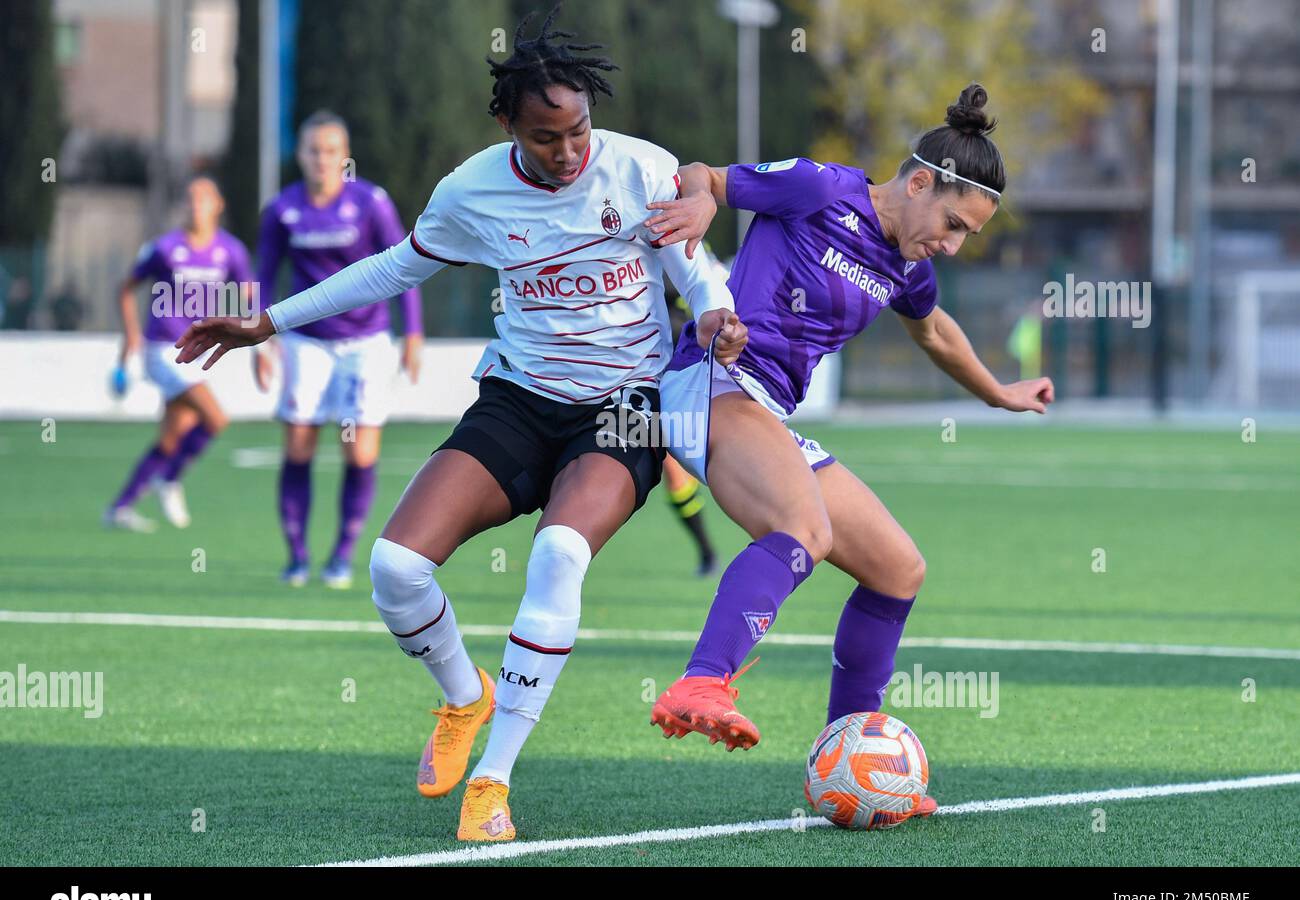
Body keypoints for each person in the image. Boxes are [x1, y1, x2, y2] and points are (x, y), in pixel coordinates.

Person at [174, 6, 741, 842]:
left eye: (580, 129)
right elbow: (394, 267)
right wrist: (271, 320)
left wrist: (714, 315)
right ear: (507, 123)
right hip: (516, 399)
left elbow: (698, 273)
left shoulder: (640, 170)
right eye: (548, 136)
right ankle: (464, 695)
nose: (570, 150)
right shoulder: (470, 191)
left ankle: (493, 781)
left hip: (625, 405)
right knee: (395, 570)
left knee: (557, 553)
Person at [645, 86, 1054, 819]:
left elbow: (934, 332)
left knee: (898, 569)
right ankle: (702, 681)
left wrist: (997, 393)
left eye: (968, 238)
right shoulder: (820, 188)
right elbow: (707, 175)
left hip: (762, 411)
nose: (953, 246)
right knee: (803, 529)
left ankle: (852, 755)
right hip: (708, 383)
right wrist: (704, 197)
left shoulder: (909, 264)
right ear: (919, 182)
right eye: (953, 225)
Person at [255, 110, 424, 589]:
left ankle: (342, 555)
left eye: (331, 150)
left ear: (344, 156)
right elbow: (263, 277)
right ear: (300, 155)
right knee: (299, 446)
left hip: (366, 343)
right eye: (312, 150)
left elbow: (405, 267)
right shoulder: (282, 209)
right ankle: (297, 556)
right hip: (305, 343)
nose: (321, 159)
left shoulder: (371, 203)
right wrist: (260, 343)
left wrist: (413, 332)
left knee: (359, 452)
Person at [105, 176, 252, 532]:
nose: (195, 205)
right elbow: (126, 289)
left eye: (203, 199)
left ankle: (120, 508)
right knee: (216, 418)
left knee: (172, 438)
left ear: (218, 205)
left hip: (195, 352)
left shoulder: (230, 250)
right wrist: (132, 337)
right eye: (189, 199)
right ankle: (168, 481)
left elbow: (247, 296)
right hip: (164, 350)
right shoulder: (165, 248)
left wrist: (241, 330)